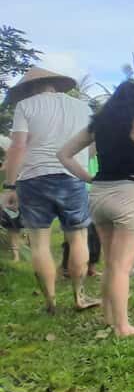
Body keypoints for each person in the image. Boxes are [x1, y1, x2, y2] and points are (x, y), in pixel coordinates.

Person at [58, 80, 134, 337]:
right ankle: (122, 326)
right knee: (121, 266)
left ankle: (109, 316)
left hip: (99, 196)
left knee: (110, 261)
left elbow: (64, 154)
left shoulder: (99, 125)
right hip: (129, 195)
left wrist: (87, 178)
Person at [1, 67, 99, 313]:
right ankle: (79, 297)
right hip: (72, 176)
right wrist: (82, 164)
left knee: (39, 243)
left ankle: (51, 302)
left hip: (33, 179)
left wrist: (10, 185)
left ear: (30, 88)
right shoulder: (83, 107)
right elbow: (92, 145)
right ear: (55, 85)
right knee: (78, 238)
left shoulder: (26, 107)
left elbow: (18, 147)